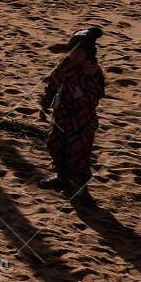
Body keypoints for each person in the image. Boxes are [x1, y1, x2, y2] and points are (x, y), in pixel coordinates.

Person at [39, 25, 105, 198]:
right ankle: (61, 177)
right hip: (61, 116)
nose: (74, 56)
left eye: (79, 53)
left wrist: (91, 75)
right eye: (72, 52)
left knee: (78, 152)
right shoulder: (65, 66)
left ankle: (81, 186)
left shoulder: (93, 73)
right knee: (55, 144)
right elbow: (53, 83)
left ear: (87, 55)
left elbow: (97, 94)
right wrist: (46, 102)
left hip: (82, 121)